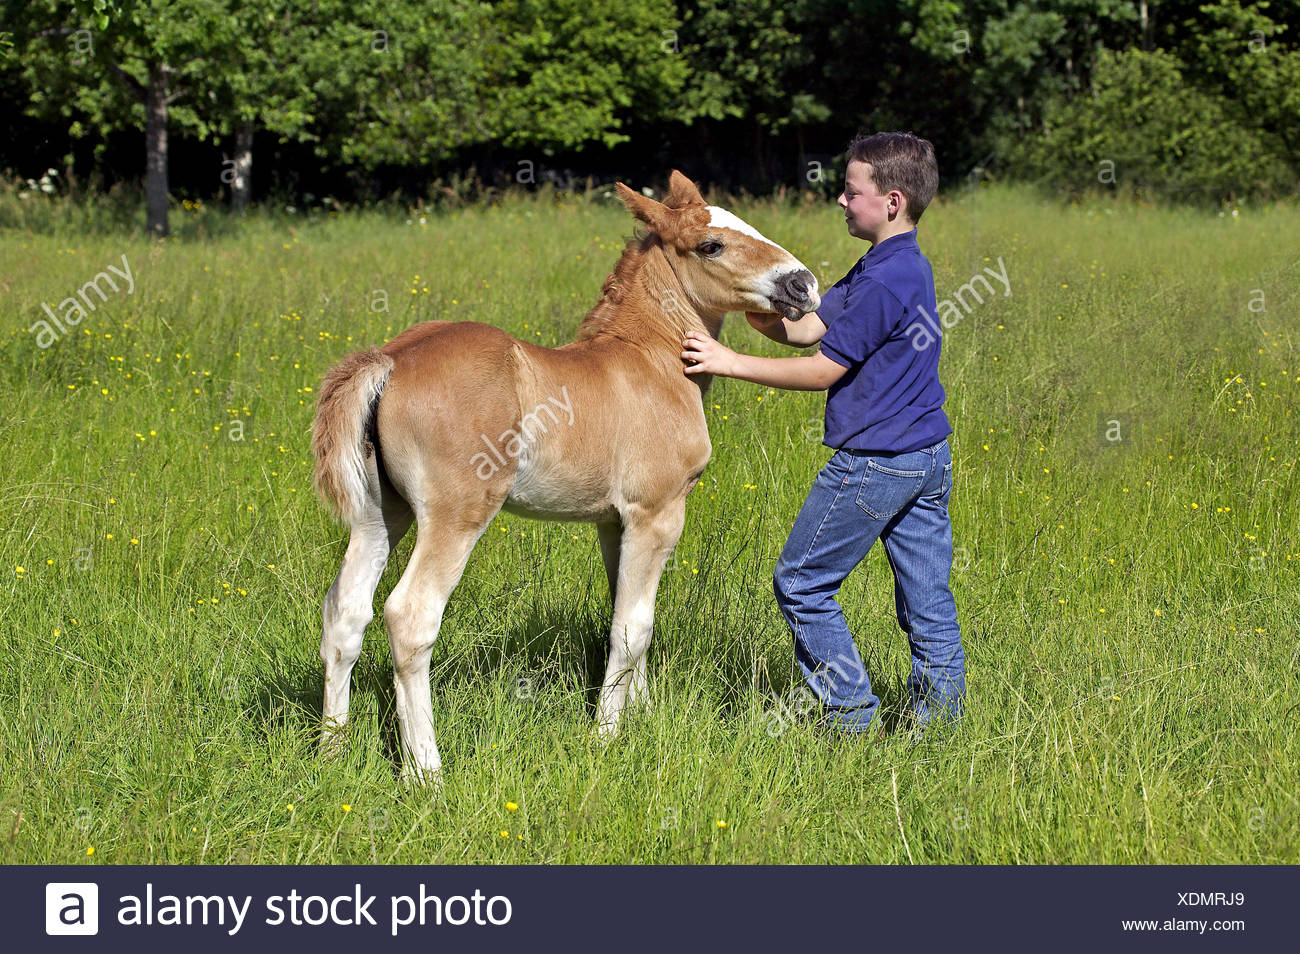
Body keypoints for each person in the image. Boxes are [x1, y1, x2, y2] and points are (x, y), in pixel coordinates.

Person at [681, 131, 965, 736]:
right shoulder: (894, 264)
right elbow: (811, 331)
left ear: (891, 202)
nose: (840, 199)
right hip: (926, 457)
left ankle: (850, 716)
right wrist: (755, 304)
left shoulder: (886, 281)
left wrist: (727, 362)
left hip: (876, 463)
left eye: (851, 190)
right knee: (927, 604)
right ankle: (938, 731)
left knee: (802, 583)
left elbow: (823, 370)